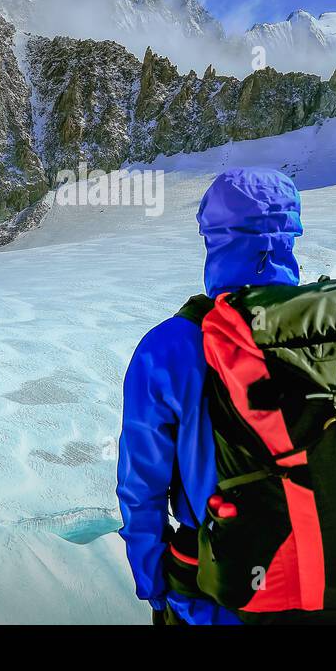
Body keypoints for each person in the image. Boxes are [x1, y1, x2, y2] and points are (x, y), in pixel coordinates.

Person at [115, 167, 304, 625]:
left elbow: (142, 488)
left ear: (214, 240)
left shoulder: (170, 347)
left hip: (220, 602)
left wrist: (158, 590)